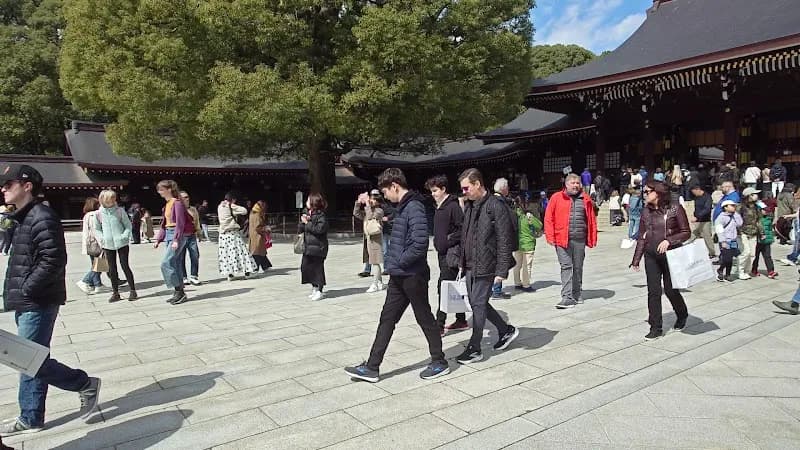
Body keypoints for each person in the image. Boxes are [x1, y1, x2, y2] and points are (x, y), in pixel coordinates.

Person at [0, 164, 101, 436]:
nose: (3, 189)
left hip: (38, 300)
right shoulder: (22, 217)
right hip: (26, 299)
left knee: (27, 359)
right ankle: (32, 415)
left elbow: (53, 259)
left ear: (27, 185)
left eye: (8, 184)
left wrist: (27, 289)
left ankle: (82, 383)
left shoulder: (42, 216)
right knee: (29, 358)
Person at [344, 168, 450, 382]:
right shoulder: (402, 208)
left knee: (424, 318)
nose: (385, 197)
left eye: (385, 192)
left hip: (413, 275)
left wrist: (398, 262)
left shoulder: (415, 207)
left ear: (395, 186)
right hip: (399, 276)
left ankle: (439, 361)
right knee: (387, 319)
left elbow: (420, 243)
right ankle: (372, 367)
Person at [456, 168, 520, 363]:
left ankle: (474, 348)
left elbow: (504, 240)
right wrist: (461, 262)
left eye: (466, 188)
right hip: (469, 264)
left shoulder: (495, 205)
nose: (464, 192)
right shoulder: (471, 206)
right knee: (479, 302)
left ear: (477, 184)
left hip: (487, 263)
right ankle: (505, 330)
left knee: (477, 304)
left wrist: (501, 271)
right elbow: (466, 236)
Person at [629, 181, 690, 340]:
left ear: (659, 193)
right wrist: (636, 259)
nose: (645, 194)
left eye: (648, 191)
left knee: (671, 290)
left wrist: (670, 240)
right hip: (651, 256)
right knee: (654, 292)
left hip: (671, 256)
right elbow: (642, 237)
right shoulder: (645, 212)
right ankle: (655, 327)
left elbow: (686, 232)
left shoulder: (675, 209)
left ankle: (682, 314)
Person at [544, 173, 598, 309]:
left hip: (579, 239)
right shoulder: (556, 198)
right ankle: (567, 297)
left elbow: (591, 219)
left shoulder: (585, 199)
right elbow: (548, 217)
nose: (575, 185)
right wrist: (550, 236)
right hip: (562, 239)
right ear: (566, 185)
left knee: (578, 267)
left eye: (577, 183)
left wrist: (592, 236)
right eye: (572, 183)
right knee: (566, 267)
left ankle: (577, 293)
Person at [426, 175, 468, 335]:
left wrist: (448, 240)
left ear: (443, 189)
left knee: (443, 286)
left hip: (451, 253)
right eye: (432, 191)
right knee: (451, 285)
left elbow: (462, 228)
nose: (433, 194)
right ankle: (461, 319)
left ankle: (439, 324)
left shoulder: (453, 206)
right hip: (442, 253)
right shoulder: (440, 207)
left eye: (435, 190)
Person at [94, 190, 138, 302]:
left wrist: (124, 236)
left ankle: (133, 290)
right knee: (112, 269)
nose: (112, 201)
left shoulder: (119, 211)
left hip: (121, 243)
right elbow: (97, 229)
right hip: (107, 244)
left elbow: (128, 225)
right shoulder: (98, 214)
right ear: (103, 200)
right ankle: (115, 292)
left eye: (113, 198)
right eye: (109, 199)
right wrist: (101, 239)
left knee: (125, 266)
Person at [154, 180, 192, 305]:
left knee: (166, 262)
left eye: (161, 189)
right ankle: (179, 292)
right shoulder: (167, 204)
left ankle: (178, 290)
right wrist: (159, 239)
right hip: (170, 233)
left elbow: (180, 224)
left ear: (169, 189)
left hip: (178, 235)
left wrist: (176, 239)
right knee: (174, 263)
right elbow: (165, 224)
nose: (159, 192)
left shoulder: (177, 204)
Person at [217, 192, 258, 281]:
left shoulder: (220, 206)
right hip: (232, 233)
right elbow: (244, 211)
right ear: (233, 200)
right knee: (241, 252)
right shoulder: (230, 206)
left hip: (223, 234)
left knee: (227, 255)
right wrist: (232, 205)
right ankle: (248, 272)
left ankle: (230, 274)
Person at [353, 190, 385, 293]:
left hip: (375, 239)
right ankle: (380, 282)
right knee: (373, 261)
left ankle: (375, 284)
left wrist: (367, 203)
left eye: (374, 200)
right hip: (368, 239)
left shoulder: (379, 211)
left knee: (375, 262)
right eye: (371, 199)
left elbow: (371, 216)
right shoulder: (368, 210)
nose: (371, 201)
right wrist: (358, 202)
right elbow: (356, 213)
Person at [490, 178, 516, 299]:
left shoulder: (496, 200)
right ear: (503, 188)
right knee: (500, 264)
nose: (509, 189)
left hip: (498, 238)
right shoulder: (498, 202)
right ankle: (496, 290)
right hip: (499, 239)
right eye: (507, 187)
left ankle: (495, 289)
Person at [300, 193, 329, 301]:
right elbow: (301, 229)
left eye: (308, 200)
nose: (306, 202)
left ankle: (319, 289)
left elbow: (319, 229)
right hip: (308, 246)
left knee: (317, 269)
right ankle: (314, 287)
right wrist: (303, 222)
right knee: (306, 267)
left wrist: (308, 223)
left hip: (318, 247)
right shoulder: (308, 213)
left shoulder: (321, 215)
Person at [76, 197, 105, 295]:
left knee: (96, 263)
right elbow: (95, 231)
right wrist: (102, 243)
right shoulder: (93, 215)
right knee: (100, 264)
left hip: (90, 243)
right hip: (96, 243)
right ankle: (85, 280)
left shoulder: (87, 215)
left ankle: (97, 284)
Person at [513, 197, 542, 292]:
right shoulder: (528, 217)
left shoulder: (515, 215)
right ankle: (526, 285)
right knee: (527, 266)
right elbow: (539, 225)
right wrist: (532, 218)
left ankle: (517, 283)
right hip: (528, 244)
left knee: (517, 265)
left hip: (517, 243)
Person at [736, 187, 763, 280]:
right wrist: (738, 231)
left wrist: (762, 232)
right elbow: (736, 220)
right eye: (755, 194)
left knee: (752, 254)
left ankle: (747, 271)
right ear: (749, 195)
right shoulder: (741, 207)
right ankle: (740, 271)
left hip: (754, 232)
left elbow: (759, 220)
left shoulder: (756, 207)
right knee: (745, 252)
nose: (757, 196)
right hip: (743, 233)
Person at [714, 200, 742, 282]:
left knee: (730, 258)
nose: (734, 207)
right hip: (725, 241)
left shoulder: (734, 216)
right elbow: (719, 230)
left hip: (733, 240)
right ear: (725, 207)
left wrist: (736, 214)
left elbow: (740, 223)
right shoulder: (721, 218)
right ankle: (720, 270)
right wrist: (722, 241)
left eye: (734, 205)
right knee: (727, 258)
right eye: (731, 205)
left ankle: (728, 274)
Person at [178, 191, 202, 286]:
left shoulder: (193, 209)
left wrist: (199, 233)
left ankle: (194, 276)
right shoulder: (178, 209)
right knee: (181, 257)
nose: (186, 199)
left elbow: (197, 222)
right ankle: (183, 276)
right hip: (181, 236)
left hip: (192, 235)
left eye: (187, 197)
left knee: (195, 255)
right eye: (183, 197)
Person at [689, 185, 716, 260]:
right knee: (693, 235)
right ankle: (684, 248)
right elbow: (697, 208)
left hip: (705, 221)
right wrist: (694, 215)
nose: (694, 194)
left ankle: (712, 253)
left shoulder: (707, 197)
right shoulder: (697, 198)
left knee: (707, 237)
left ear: (698, 189)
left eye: (694, 192)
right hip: (698, 220)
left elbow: (707, 209)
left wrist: (697, 216)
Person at [752, 200, 777, 278]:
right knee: (756, 256)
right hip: (758, 241)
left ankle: (770, 271)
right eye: (764, 210)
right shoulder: (755, 219)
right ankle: (754, 269)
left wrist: (771, 238)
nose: (766, 211)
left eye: (767, 210)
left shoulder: (769, 218)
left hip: (766, 240)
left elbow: (770, 230)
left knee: (768, 256)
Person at [248, 200, 272, 273]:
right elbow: (258, 227)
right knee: (257, 252)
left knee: (261, 252)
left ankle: (266, 266)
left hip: (254, 236)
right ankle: (255, 268)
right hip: (257, 237)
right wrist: (266, 229)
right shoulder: (257, 215)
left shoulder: (252, 213)